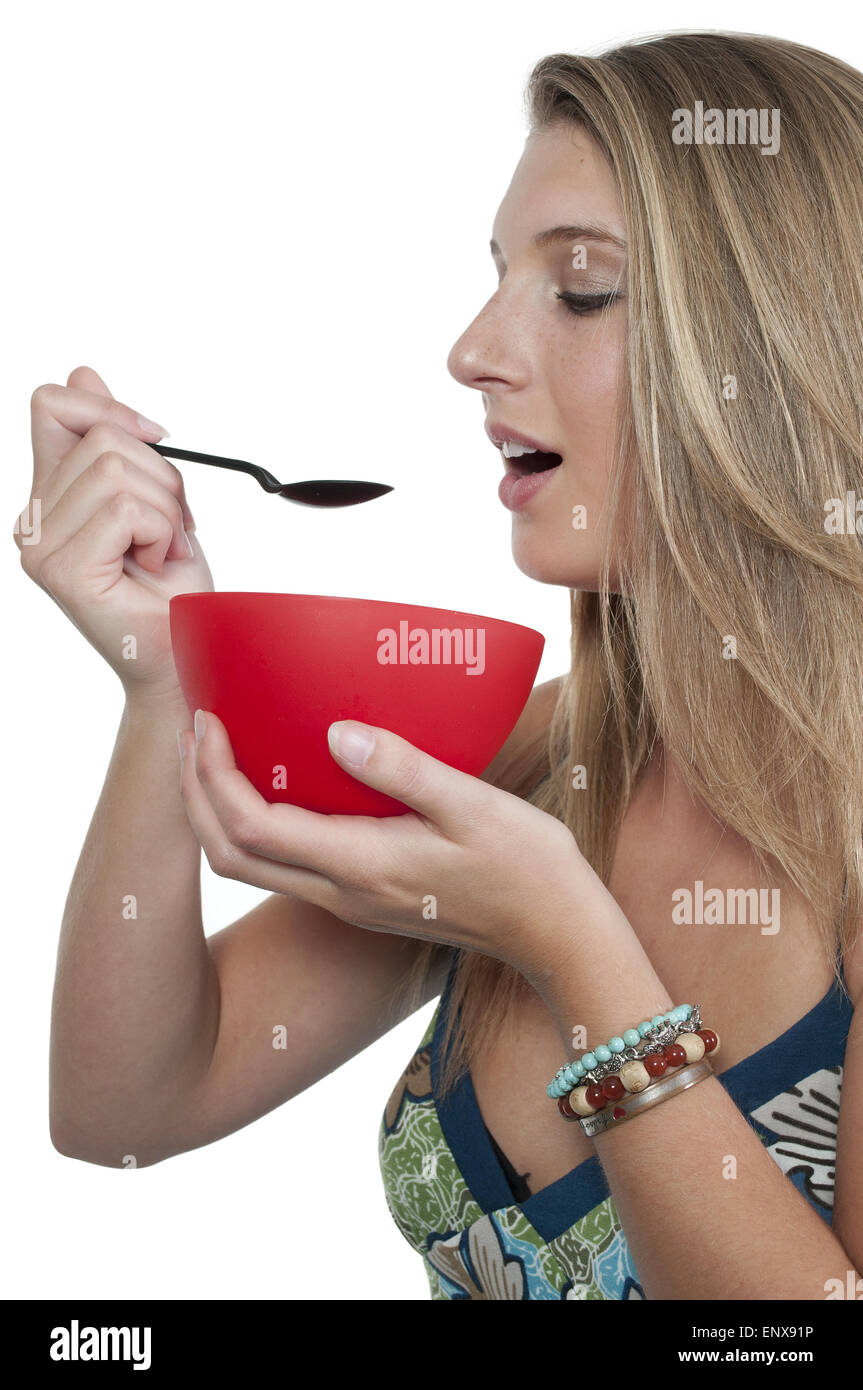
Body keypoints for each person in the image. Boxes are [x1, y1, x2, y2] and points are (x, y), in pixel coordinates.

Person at [15, 28, 862, 1301]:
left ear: (781, 356)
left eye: (578, 288)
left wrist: (572, 944)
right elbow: (128, 1103)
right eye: (495, 276)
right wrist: (163, 674)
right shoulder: (540, 763)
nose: (471, 349)